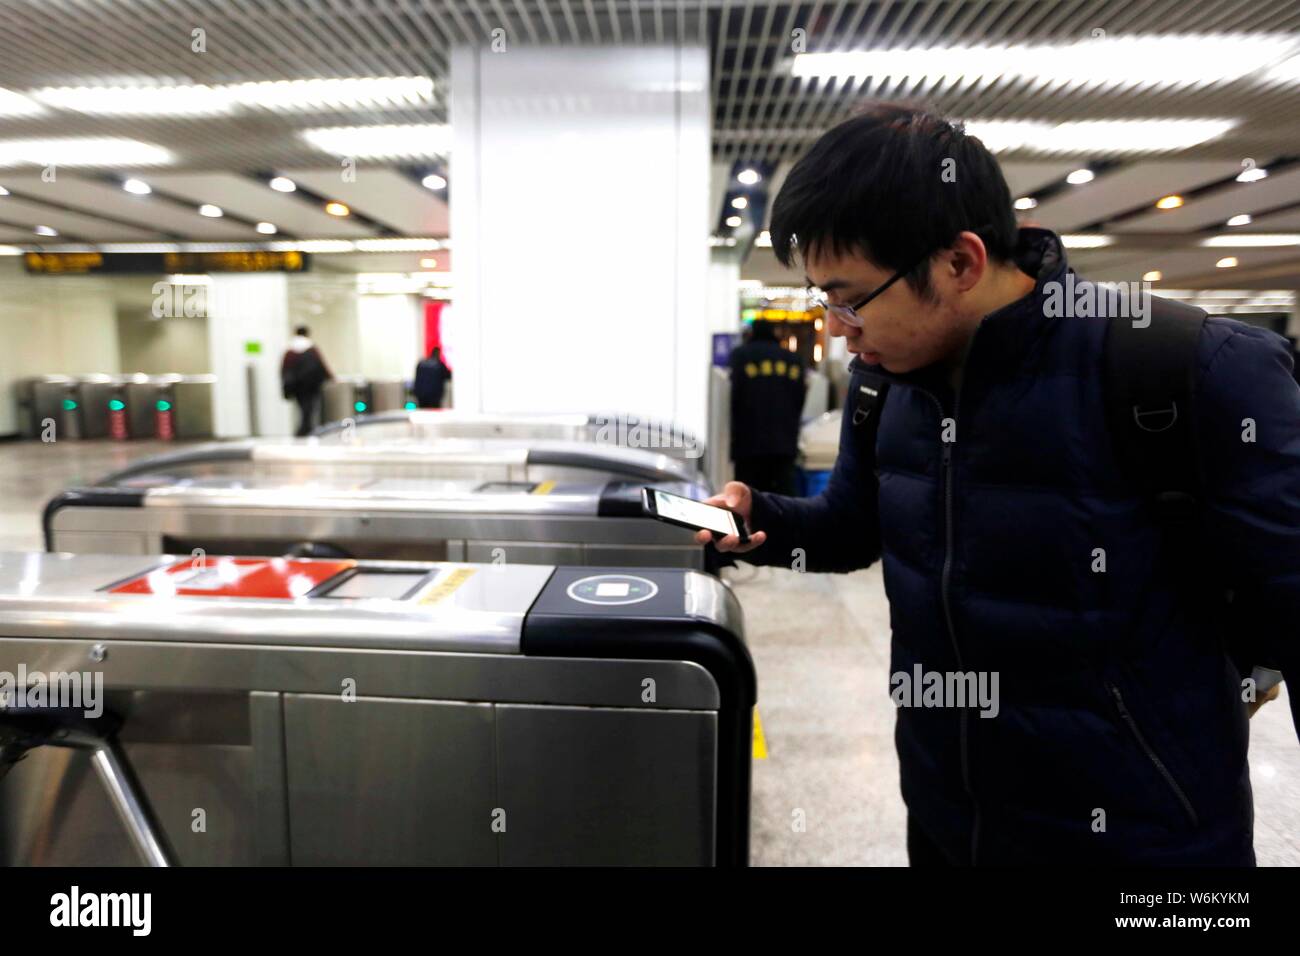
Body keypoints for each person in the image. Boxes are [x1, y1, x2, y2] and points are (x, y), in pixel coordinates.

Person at [697, 103, 1300, 866]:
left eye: (849, 298)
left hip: (1149, 844)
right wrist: (764, 519)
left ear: (958, 262)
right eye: (824, 300)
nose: (837, 327)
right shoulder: (887, 385)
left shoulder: (1186, 368)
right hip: (950, 821)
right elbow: (851, 528)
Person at [728, 320, 806, 495]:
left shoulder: (740, 356)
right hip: (784, 442)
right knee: (783, 497)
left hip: (748, 443)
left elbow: (733, 397)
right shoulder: (793, 359)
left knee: (747, 497)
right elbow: (800, 397)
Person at [281, 325, 332, 437]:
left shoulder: (289, 350)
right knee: (310, 408)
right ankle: (305, 430)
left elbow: (284, 370)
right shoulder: (312, 349)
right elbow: (322, 366)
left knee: (303, 408)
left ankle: (304, 430)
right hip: (311, 385)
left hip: (297, 387)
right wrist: (331, 377)